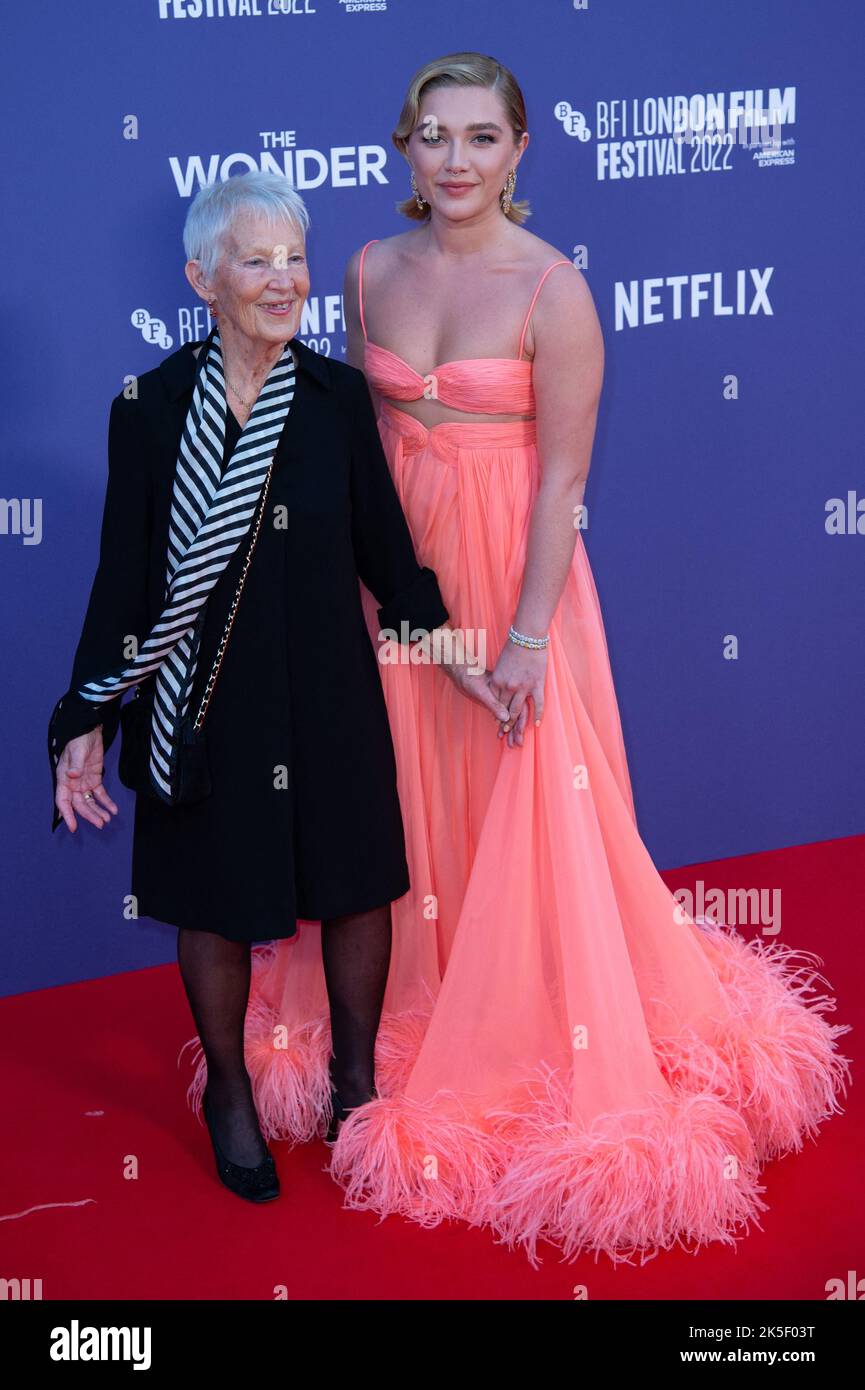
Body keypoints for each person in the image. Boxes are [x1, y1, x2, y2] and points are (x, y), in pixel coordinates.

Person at [203, 61, 850, 1263]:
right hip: (391, 581)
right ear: (402, 146)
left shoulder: (555, 291)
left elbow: (560, 483)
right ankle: (401, 1011)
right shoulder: (364, 269)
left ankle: (522, 1021)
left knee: (525, 806)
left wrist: (527, 640)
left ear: (519, 150)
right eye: (433, 137)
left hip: (512, 580)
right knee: (390, 801)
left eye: (481, 137)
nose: (454, 161)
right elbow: (355, 442)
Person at [48, 170, 503, 1204]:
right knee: (209, 896)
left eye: (293, 257)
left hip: (330, 690)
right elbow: (125, 574)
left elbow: (387, 555)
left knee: (355, 886)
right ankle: (229, 1091)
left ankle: (354, 1083)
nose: (283, 278)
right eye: (254, 259)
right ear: (200, 277)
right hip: (207, 700)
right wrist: (84, 716)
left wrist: (463, 657)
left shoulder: (337, 398)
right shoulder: (151, 408)